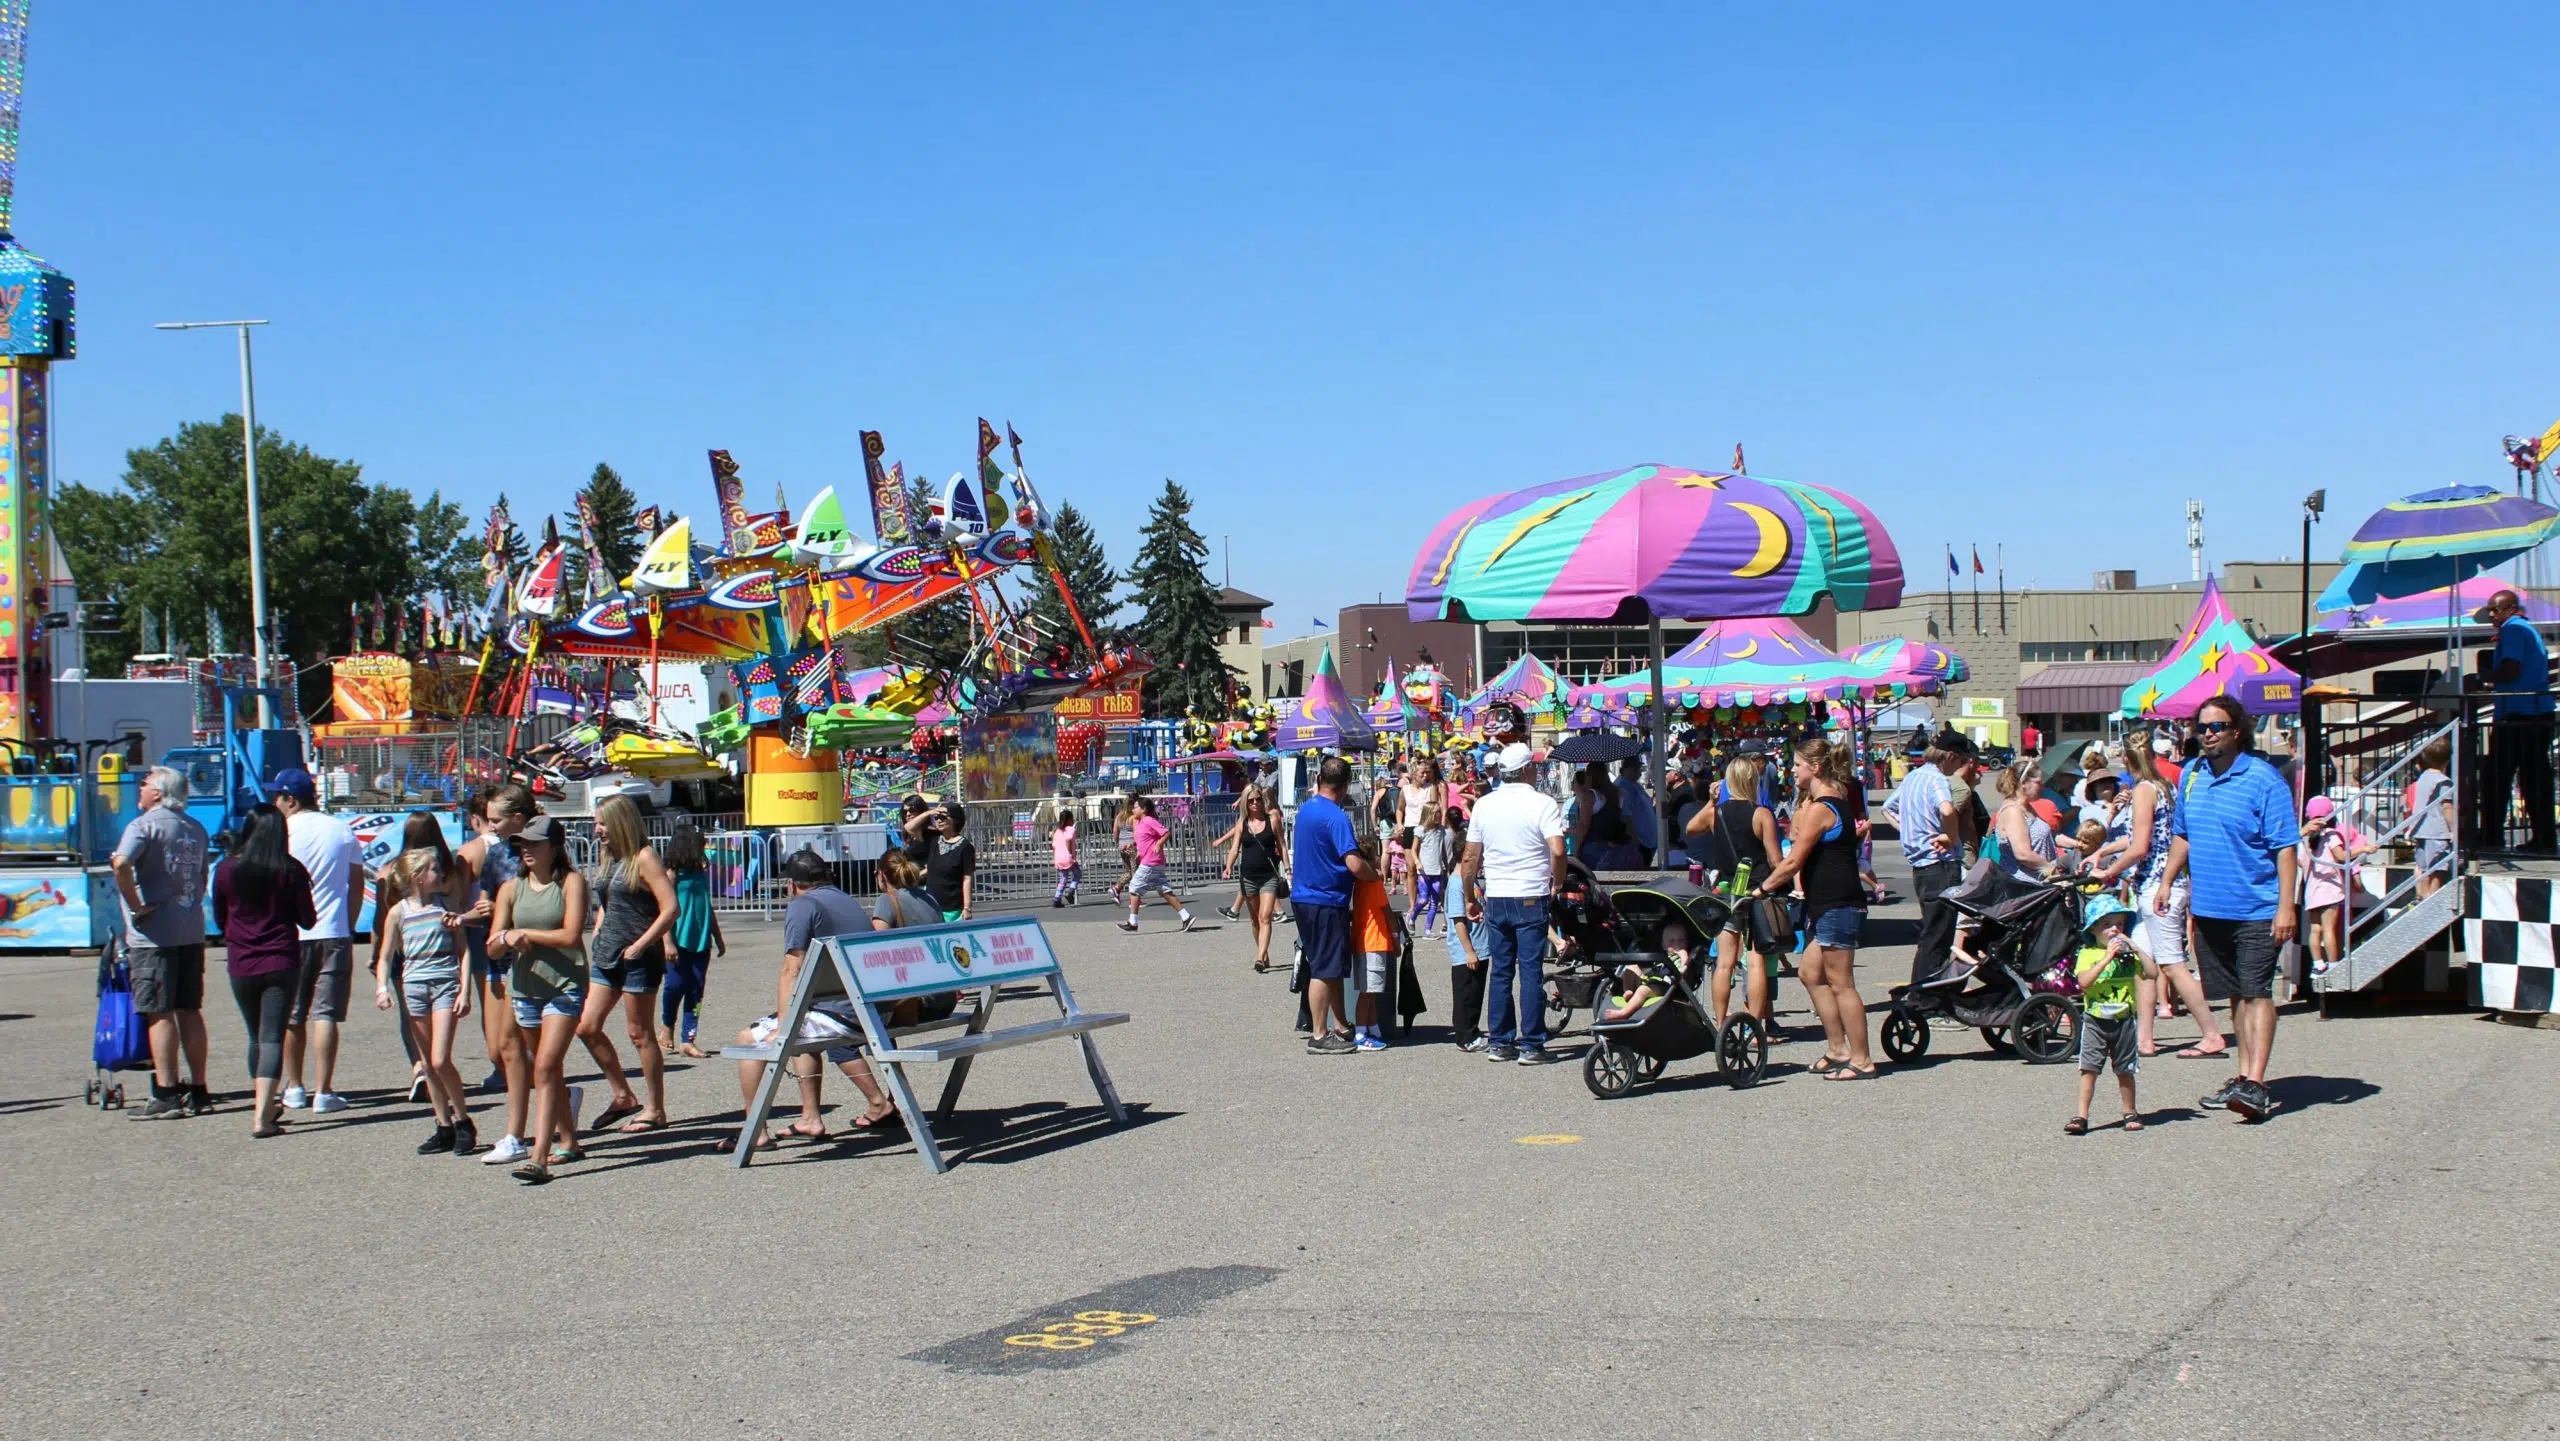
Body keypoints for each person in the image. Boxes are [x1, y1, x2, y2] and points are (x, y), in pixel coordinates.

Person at [2154, 694, 2300, 1124]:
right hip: (2211, 906)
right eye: (2202, 727)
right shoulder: (2192, 776)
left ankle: (2255, 1082)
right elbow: (2183, 835)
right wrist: (2166, 881)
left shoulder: (2263, 779)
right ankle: (2242, 1076)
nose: (2208, 734)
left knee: (2257, 992)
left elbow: (2285, 849)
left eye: (2217, 726)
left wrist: (2286, 908)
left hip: (2256, 905)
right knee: (2235, 992)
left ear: (2238, 731)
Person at [727, 849, 906, 1150]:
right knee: (806, 1024)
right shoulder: (843, 898)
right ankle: (810, 1117)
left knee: (748, 1039)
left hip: (846, 1016)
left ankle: (754, 1132)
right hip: (873, 1008)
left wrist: (784, 1027)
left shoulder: (802, 905)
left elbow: (791, 969)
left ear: (791, 885)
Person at [2095, 726, 2223, 1060]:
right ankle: (2144, 1039)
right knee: (2144, 962)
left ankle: (2211, 1034)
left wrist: (2109, 871)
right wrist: (2105, 850)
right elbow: (2148, 838)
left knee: (2172, 964)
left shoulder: (2142, 791)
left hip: (2157, 886)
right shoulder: (2164, 787)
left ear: (2126, 759)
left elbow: (2139, 847)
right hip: (2164, 882)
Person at [1751, 736, 1875, 1080]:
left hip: (1838, 902)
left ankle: (1862, 1059)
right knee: (1809, 973)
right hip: (1825, 904)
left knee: (1841, 983)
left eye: (1797, 765)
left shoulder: (1824, 806)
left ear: (1815, 768)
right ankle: (1837, 1048)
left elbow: (1793, 861)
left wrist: (1761, 889)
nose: (1792, 770)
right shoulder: (1825, 802)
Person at [487, 815, 591, 1183]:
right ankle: (570, 1140)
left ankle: (539, 1158)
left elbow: (571, 936)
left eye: (534, 843)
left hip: (565, 985)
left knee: (546, 1067)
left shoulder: (571, 883)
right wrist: (504, 940)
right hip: (525, 989)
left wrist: (521, 933)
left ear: (554, 847)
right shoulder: (511, 888)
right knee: (546, 1070)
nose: (526, 850)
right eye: (522, 844)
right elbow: (494, 944)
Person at [113, 765, 213, 1120]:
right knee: (190, 1008)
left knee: (159, 1010)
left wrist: (136, 905)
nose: (138, 790)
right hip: (189, 926)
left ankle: (167, 1091)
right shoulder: (196, 828)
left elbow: (121, 862)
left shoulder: (144, 826)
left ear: (158, 791)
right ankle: (199, 1089)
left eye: (143, 784)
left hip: (153, 933)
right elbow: (202, 877)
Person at [374, 813, 475, 1155]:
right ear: (418, 877)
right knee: (429, 1063)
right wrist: (382, 986)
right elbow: (387, 954)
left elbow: (462, 950)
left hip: (444, 984)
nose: (439, 874)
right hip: (414, 985)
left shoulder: (447, 908)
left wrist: (465, 989)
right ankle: (443, 1123)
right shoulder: (399, 912)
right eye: (432, 870)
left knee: (440, 1057)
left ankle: (463, 1120)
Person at [265, 770, 365, 1116]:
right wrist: (348, 926)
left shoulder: (281, 833)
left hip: (292, 932)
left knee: (293, 1013)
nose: (274, 803)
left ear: (290, 799)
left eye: (277, 797)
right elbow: (355, 882)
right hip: (332, 928)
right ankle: (324, 1090)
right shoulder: (340, 829)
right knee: (326, 1013)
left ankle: (295, 1086)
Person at [1462, 741, 1568, 1064]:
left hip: (1496, 893)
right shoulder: (1543, 803)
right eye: (1533, 766)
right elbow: (1559, 850)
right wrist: (1558, 881)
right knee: (1531, 969)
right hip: (1530, 893)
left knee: (1501, 970)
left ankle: (1500, 1040)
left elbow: (1469, 857)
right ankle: (1532, 1043)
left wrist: (1469, 896)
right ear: (1525, 770)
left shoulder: (1483, 805)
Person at [211, 804, 313, 1138]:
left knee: (255, 1035)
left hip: (242, 961)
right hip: (281, 958)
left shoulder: (226, 870)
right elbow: (307, 918)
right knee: (273, 1036)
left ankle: (264, 1105)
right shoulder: (290, 870)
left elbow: (219, 917)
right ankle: (263, 1115)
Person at [580, 794, 677, 1134]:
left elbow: (670, 908)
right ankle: (623, 1094)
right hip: (607, 954)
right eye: (596, 823)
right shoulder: (611, 858)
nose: (597, 830)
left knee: (640, 1034)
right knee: (587, 1027)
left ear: (620, 822)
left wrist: (641, 944)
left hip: (638, 957)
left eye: (602, 823)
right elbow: (609, 898)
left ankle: (655, 1108)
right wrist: (599, 924)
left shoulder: (644, 857)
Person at [458, 784, 537, 1164]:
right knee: (498, 1050)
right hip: (496, 954)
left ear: (518, 819)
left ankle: (514, 1134)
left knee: (515, 1047)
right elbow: (484, 899)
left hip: (527, 957)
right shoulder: (496, 854)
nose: (488, 827)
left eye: (495, 820)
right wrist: (481, 909)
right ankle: (557, 1101)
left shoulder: (536, 852)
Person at [1293, 756, 1375, 1056]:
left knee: (1333, 967)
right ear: (1344, 786)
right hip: (1324, 898)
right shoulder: (1336, 816)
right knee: (1324, 968)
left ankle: (1341, 1024)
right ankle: (1319, 1033)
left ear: (1319, 779)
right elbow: (1354, 863)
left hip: (1306, 895)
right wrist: (1374, 875)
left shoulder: (1307, 809)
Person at [1698, 754, 1782, 1030]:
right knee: (1755, 962)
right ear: (1754, 780)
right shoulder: (1761, 814)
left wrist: (1711, 800)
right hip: (1755, 892)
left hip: (1725, 891)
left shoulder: (1716, 813)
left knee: (1724, 963)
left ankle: (1721, 1023)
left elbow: (1690, 828)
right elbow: (1775, 860)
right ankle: (1754, 1025)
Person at [1889, 733, 1974, 987]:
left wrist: (1910, 833)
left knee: (1931, 933)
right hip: (1940, 864)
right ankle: (1928, 999)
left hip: (1921, 865)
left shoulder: (1913, 777)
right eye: (1958, 762)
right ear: (1950, 756)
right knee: (1938, 937)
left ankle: (1922, 993)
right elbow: (1947, 809)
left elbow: (1889, 807)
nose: (1957, 768)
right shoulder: (1938, 780)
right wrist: (1950, 835)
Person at [2479, 587, 2556, 851]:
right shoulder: (2524, 630)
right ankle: (2544, 838)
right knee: (2533, 778)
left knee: (2496, 777)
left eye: (2495, 609)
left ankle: (2491, 837)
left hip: (2521, 715)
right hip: (2534, 712)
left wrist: (2487, 676)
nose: (2491, 614)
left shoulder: (2513, 630)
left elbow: (2511, 669)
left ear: (2511, 608)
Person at [2066, 894, 2144, 1135]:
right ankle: (2081, 1115)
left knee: (2125, 1069)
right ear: (2094, 930)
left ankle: (2130, 1111)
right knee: (2089, 1068)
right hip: (2096, 1020)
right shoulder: (2088, 954)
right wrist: (2107, 957)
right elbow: (2084, 982)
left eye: (2119, 924)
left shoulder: (2129, 957)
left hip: (2124, 1020)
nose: (2115, 930)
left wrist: (2136, 948)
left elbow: (2152, 973)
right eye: (2107, 925)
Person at [660, 823, 725, 1059]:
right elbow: (664, 909)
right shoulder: (670, 874)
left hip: (701, 940)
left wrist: (717, 935)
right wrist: (667, 942)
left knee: (696, 989)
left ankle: (688, 1038)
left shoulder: (700, 872)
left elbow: (706, 905)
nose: (703, 847)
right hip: (678, 939)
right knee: (675, 985)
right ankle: (667, 1025)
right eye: (700, 842)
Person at [2298, 796, 2373, 986]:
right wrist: (2364, 848)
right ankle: (2333, 964)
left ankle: (2318, 964)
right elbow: (2341, 856)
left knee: (2315, 929)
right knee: (2330, 930)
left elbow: (2299, 860)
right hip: (2330, 889)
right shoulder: (2331, 835)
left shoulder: (2304, 838)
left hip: (2311, 891)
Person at [1221, 787, 1287, 971]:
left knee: (1265, 916)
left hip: (1269, 876)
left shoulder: (1272, 819)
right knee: (1255, 920)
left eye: (1258, 799)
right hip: (1248, 876)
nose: (1255, 803)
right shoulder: (1242, 822)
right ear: (1245, 803)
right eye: (1250, 801)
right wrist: (1228, 866)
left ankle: (1259, 957)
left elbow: (1281, 844)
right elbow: (1234, 848)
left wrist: (1288, 869)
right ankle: (1264, 953)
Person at [1347, 838, 1401, 1051]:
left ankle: (1373, 1027)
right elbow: (1386, 911)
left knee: (1370, 990)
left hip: (1361, 939)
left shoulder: (1358, 882)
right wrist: (1395, 937)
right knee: (1368, 992)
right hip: (1375, 939)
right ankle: (1361, 1033)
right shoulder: (1374, 881)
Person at [1118, 795, 1191, 932]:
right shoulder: (1139, 822)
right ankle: (1186, 916)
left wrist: (1159, 844)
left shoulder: (1149, 820)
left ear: (1144, 809)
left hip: (1151, 861)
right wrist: (1133, 845)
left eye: (1135, 807)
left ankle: (1133, 922)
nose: (1133, 810)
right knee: (1164, 890)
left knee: (1134, 887)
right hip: (1152, 861)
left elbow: (1166, 832)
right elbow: (1144, 838)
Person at [1990, 759, 2060, 883]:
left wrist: (2077, 844)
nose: (2043, 786)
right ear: (2024, 783)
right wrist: (2051, 870)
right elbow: (2023, 854)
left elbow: (2043, 836)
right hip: (2025, 886)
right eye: (2038, 782)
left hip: (2040, 882)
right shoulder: (2013, 812)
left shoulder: (2026, 807)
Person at [1445, 869, 1488, 1051]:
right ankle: (1465, 1037)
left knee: (1475, 993)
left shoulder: (1470, 880)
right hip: (1468, 950)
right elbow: (1458, 920)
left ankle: (1473, 1031)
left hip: (1480, 946)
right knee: (1466, 995)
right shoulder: (1456, 883)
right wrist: (1469, 951)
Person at [2410, 736, 2456, 899]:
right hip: (2437, 830)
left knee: (2422, 866)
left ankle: (2421, 895)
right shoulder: (2444, 781)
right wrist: (2453, 830)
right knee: (2438, 867)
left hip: (2420, 828)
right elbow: (2447, 807)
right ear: (2447, 760)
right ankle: (2432, 896)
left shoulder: (2423, 778)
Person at [920, 802, 977, 922]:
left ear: (955, 820)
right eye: (936, 817)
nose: (939, 821)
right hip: (931, 906)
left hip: (952, 909)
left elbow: (967, 878)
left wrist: (967, 908)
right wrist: (930, 812)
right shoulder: (933, 840)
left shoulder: (965, 847)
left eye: (943, 817)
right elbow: (909, 828)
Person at [1410, 797, 1453, 937]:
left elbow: (1443, 851)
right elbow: (1413, 850)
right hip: (1424, 870)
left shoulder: (1441, 830)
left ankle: (1428, 930)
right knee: (1423, 899)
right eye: (1436, 812)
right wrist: (1417, 861)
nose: (1439, 815)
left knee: (1435, 901)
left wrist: (1446, 867)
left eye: (1440, 812)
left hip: (1437, 870)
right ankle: (1412, 917)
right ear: (1429, 814)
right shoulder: (1420, 830)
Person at [1614, 756, 1660, 861]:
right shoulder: (1622, 787)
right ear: (1625, 769)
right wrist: (1634, 841)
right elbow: (1625, 817)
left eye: (1639, 768)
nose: (1638, 771)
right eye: (1635, 768)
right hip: (1639, 843)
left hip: (1647, 841)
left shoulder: (1633, 784)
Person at [1050, 812, 1082, 908]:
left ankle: (1057, 898)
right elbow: (1068, 840)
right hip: (1068, 858)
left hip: (1058, 858)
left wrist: (1054, 858)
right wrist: (1071, 854)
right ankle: (1071, 891)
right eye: (1072, 819)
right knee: (1077, 874)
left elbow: (1054, 845)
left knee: (1063, 879)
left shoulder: (1057, 831)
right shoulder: (1070, 829)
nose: (1073, 821)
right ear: (1068, 820)